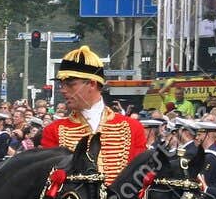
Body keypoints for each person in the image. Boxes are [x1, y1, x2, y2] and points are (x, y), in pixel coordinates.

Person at [38, 46, 146, 185]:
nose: (63, 90)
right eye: (62, 85)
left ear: (92, 84)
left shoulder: (132, 128)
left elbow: (140, 180)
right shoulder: (53, 131)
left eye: (70, 84)